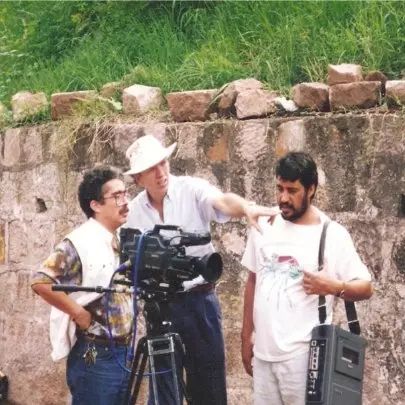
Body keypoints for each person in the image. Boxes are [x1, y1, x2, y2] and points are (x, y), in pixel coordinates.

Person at [124, 134, 277, 405]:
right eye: (151, 168)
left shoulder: (190, 189)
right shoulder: (133, 213)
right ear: (138, 179)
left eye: (163, 163)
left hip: (199, 301)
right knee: (164, 390)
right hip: (160, 305)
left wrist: (247, 208)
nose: (161, 173)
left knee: (209, 387)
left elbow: (221, 201)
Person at [241, 151, 373, 405]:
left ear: (311, 189)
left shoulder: (330, 233)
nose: (283, 198)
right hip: (264, 356)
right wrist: (246, 336)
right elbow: (253, 280)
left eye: (292, 190)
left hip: (306, 359)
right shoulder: (263, 225)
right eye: (279, 188)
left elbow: (365, 287)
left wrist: (335, 287)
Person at [31, 166, 133, 405]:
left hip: (121, 351)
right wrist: (79, 313)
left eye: (125, 193)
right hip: (96, 354)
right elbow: (40, 281)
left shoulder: (116, 238)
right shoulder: (80, 241)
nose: (125, 201)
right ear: (95, 205)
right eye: (116, 196)